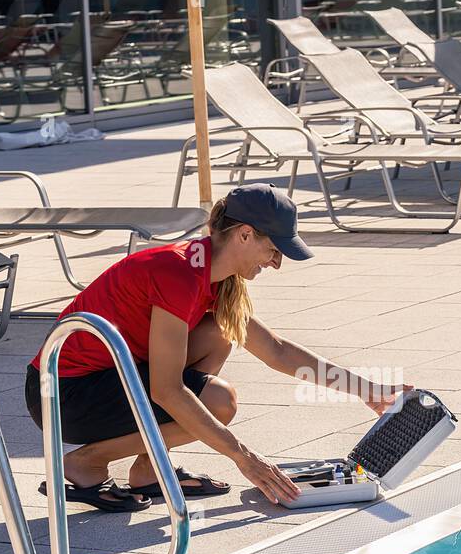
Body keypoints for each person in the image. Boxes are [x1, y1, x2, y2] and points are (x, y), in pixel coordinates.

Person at [25, 184, 410, 512]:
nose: (276, 263)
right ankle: (84, 464)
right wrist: (245, 458)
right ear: (244, 234)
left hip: (102, 378)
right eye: (274, 249)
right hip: (61, 394)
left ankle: (149, 470)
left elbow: (275, 350)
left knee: (219, 331)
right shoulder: (178, 274)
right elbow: (166, 389)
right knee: (219, 401)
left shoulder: (211, 271)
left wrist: (367, 389)